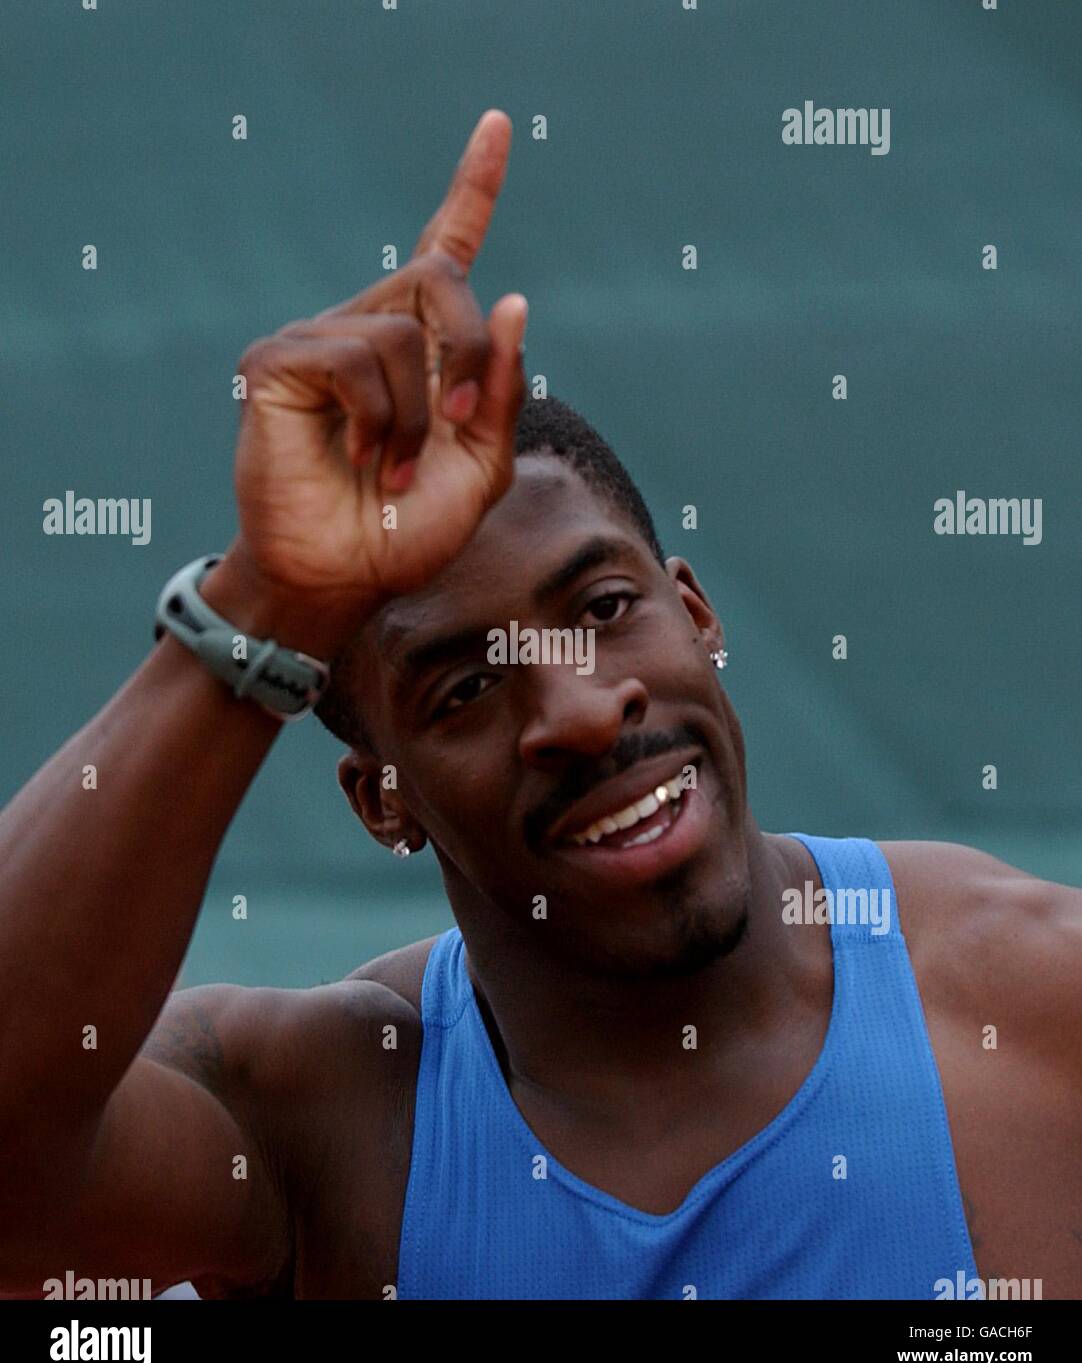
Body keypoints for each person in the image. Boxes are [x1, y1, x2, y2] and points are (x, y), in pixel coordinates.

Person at [2, 110, 1079, 1302]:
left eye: (605, 607)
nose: (576, 706)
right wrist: (261, 599)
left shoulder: (1031, 1006)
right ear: (381, 799)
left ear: (698, 614)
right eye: (463, 688)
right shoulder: (325, 1123)